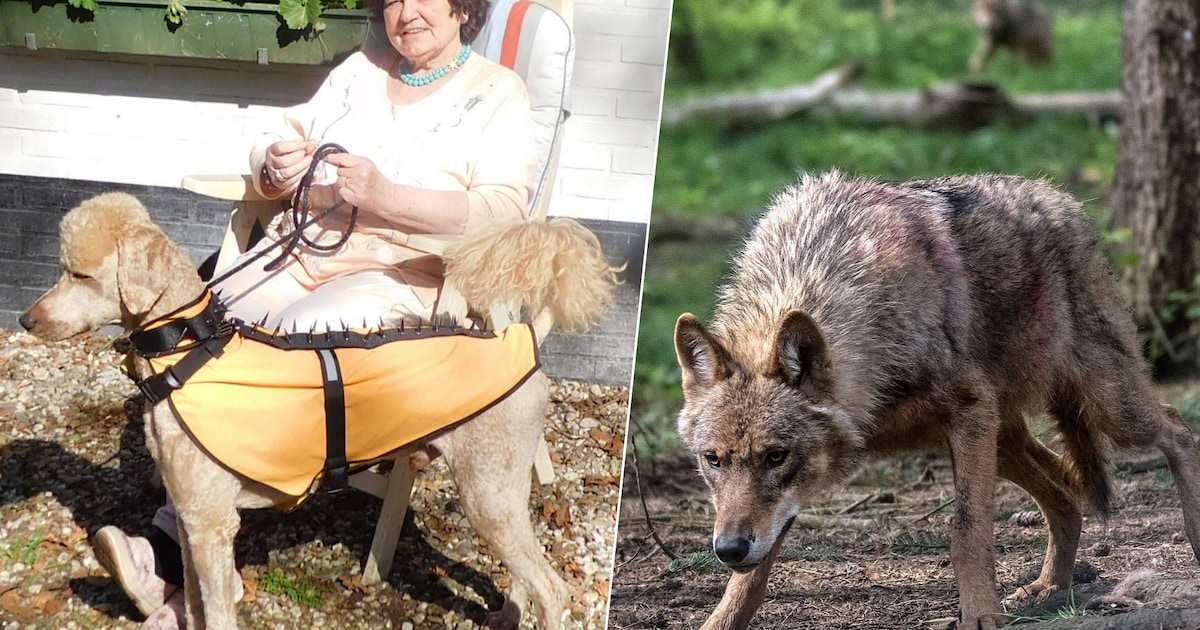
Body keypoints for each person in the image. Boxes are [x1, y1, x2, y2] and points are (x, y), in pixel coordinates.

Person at [90, 0, 536, 625]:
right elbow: (281, 141)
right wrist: (273, 168)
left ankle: (178, 556)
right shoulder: (359, 70)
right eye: (392, 1)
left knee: (283, 349)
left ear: (464, 7)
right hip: (303, 247)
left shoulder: (498, 93)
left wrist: (387, 197)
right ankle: (190, 547)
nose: (405, 13)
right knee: (203, 332)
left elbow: (505, 214)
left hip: (400, 273)